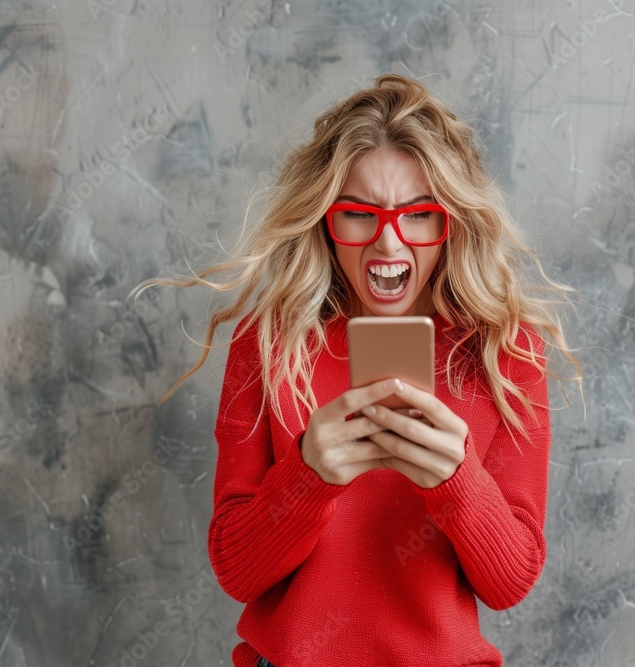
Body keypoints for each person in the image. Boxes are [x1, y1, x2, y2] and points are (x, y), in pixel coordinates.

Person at [132, 73, 583, 667]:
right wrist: (308, 475)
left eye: (418, 215)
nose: (389, 245)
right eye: (359, 214)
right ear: (325, 219)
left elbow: (510, 583)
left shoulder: (504, 351)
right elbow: (238, 573)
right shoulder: (269, 344)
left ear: (450, 222)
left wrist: (458, 481)